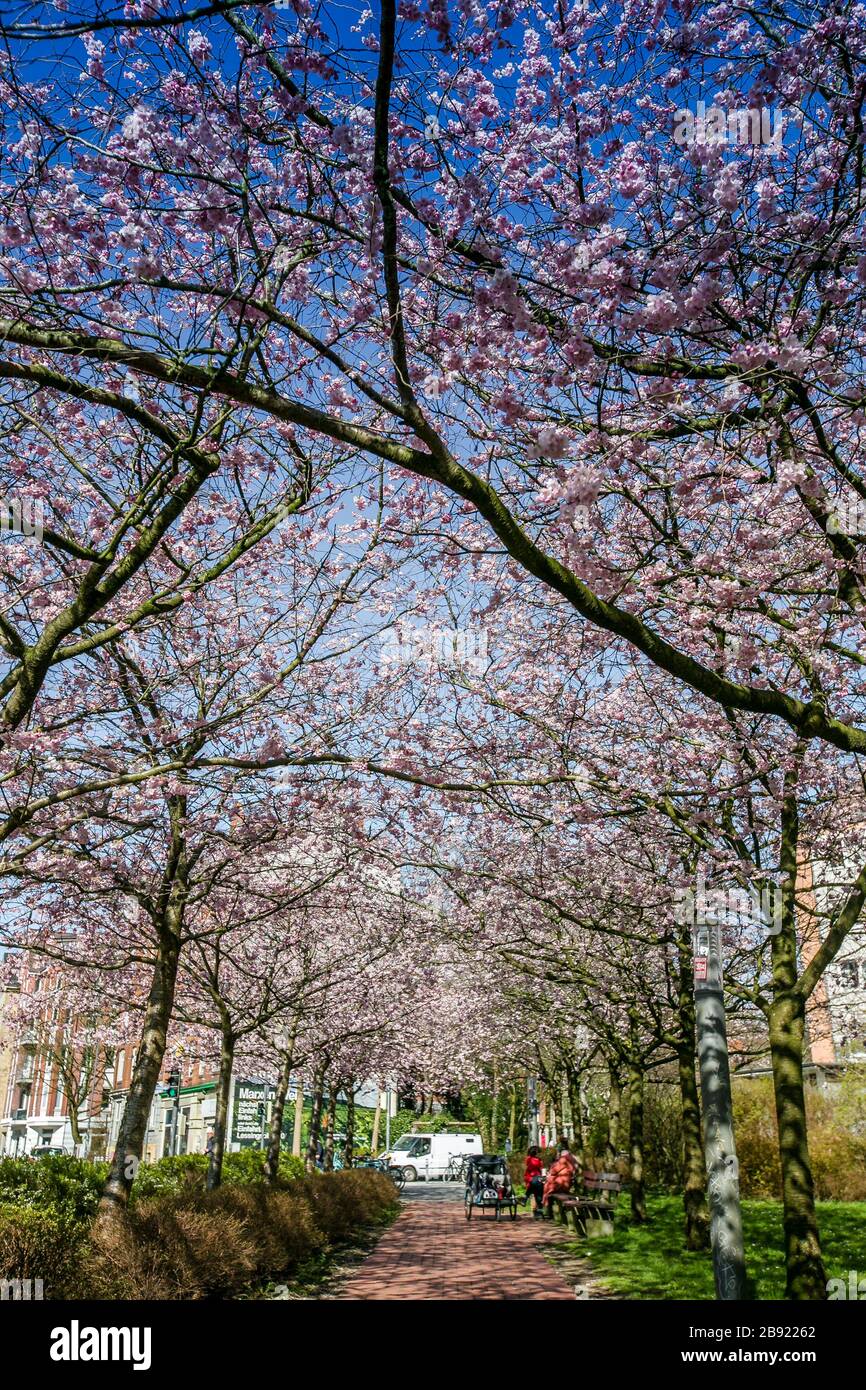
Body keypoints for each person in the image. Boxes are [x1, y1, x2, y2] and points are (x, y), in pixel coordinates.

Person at [542, 1138, 578, 1217]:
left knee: (547, 1186)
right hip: (568, 1182)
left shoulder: (564, 1159)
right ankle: (548, 1210)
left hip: (562, 1183)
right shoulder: (571, 1157)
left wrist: (551, 1169)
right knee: (548, 1185)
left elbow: (553, 1171)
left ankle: (547, 1210)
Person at [523, 1144, 545, 1218]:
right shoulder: (538, 1160)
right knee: (538, 1194)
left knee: (535, 1191)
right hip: (535, 1178)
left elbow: (527, 1165)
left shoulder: (529, 1159)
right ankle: (538, 1211)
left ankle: (525, 1198)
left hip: (531, 1178)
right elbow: (541, 1169)